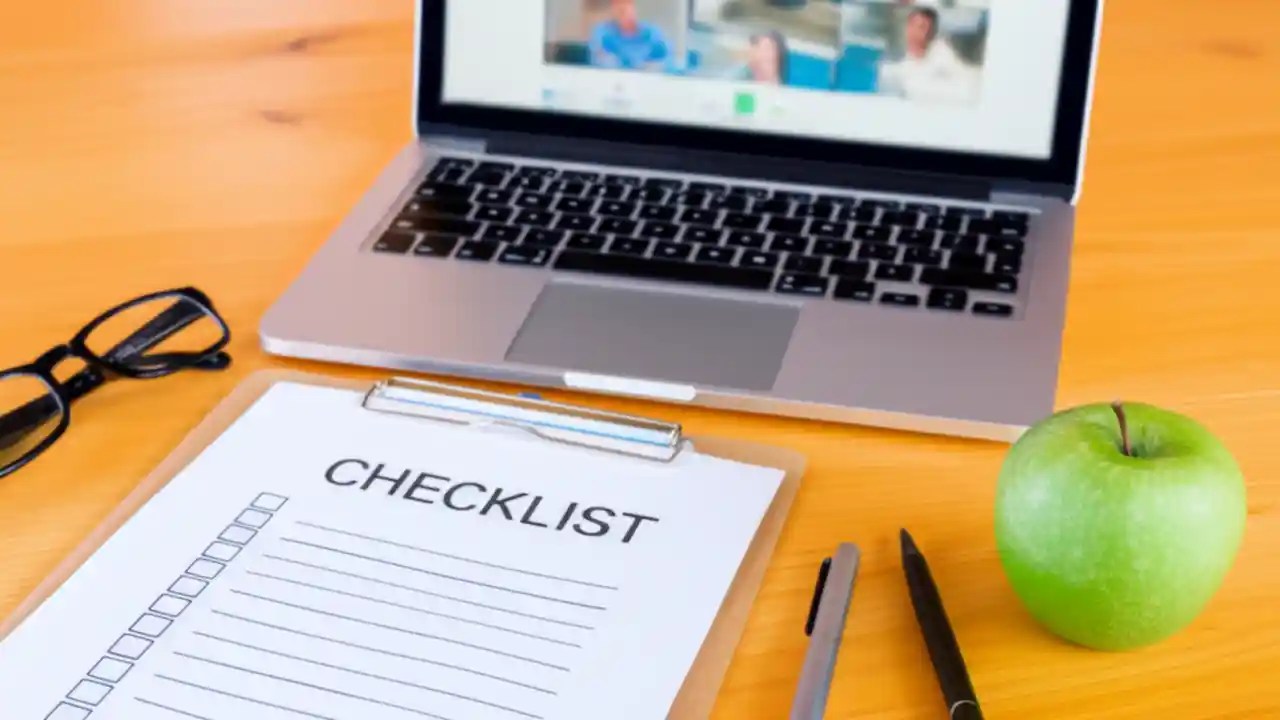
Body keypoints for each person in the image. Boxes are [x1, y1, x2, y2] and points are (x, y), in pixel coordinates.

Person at [878, 6, 979, 103]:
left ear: (931, 34)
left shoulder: (941, 53)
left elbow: (968, 81)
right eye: (911, 25)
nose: (914, 32)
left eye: (922, 27)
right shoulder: (895, 63)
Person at [589, 0, 672, 70]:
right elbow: (600, 60)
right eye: (621, 11)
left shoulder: (652, 33)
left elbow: (668, 61)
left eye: (627, 7)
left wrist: (650, 67)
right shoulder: (604, 34)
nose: (626, 14)